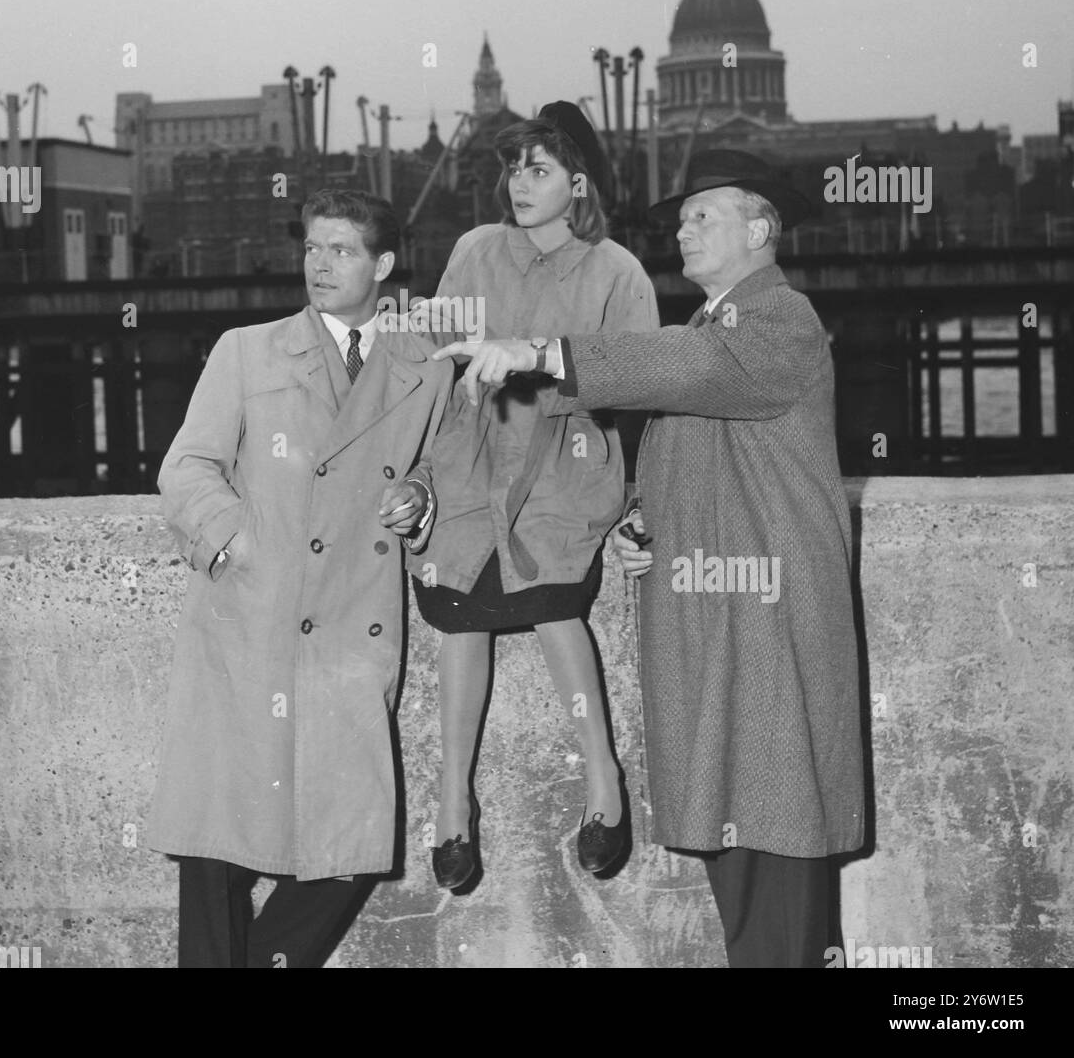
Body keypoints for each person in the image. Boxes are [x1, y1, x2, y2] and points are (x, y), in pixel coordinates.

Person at [436, 148, 865, 966]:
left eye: (704, 214)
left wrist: (541, 352)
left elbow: (688, 368)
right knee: (748, 859)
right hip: (731, 627)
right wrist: (645, 524)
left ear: (760, 228)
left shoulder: (778, 318)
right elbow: (704, 438)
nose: (683, 227)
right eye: (681, 217)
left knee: (776, 861)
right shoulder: (716, 326)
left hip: (767, 634)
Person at [146, 188, 455, 967]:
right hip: (249, 621)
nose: (320, 265)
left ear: (383, 265)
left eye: (342, 250)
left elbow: (437, 468)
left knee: (349, 846)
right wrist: (235, 546)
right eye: (313, 248)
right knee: (216, 846)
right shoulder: (247, 349)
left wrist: (419, 496)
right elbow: (187, 467)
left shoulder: (426, 365)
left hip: (354, 622)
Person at [413, 102, 658, 889]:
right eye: (513, 168)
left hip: (561, 466)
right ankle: (453, 803)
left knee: (556, 606)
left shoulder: (617, 271)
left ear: (578, 184)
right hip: (469, 463)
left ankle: (602, 782)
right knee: (457, 615)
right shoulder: (475, 249)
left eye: (539, 169)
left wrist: (639, 499)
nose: (519, 182)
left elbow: (644, 381)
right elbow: (430, 358)